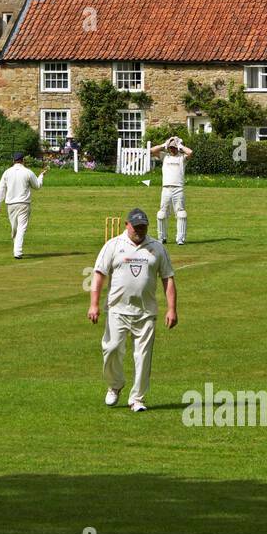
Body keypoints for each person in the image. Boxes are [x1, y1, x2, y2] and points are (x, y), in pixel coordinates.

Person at [88, 208, 177, 412]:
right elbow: (99, 274)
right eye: (136, 226)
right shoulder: (113, 245)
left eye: (143, 226)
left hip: (146, 312)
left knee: (143, 356)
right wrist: (94, 304)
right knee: (110, 349)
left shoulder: (157, 247)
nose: (139, 230)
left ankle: (137, 399)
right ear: (126, 225)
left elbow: (168, 278)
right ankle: (115, 385)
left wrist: (172, 309)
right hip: (117, 310)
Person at [0, 151, 47, 258]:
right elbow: (37, 186)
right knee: (19, 229)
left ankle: (17, 252)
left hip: (11, 204)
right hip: (23, 204)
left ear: (13, 161)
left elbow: (1, 189)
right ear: (23, 160)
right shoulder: (27, 172)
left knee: (17, 228)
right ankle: (17, 250)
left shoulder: (7, 172)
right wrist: (41, 175)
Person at [150, 136, 194, 245]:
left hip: (178, 189)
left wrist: (180, 146)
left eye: (174, 148)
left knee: (181, 214)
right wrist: (163, 145)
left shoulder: (182, 158)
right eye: (170, 148)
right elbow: (151, 150)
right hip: (166, 189)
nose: (172, 149)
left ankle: (180, 239)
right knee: (161, 214)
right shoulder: (165, 156)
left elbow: (191, 153)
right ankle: (162, 237)